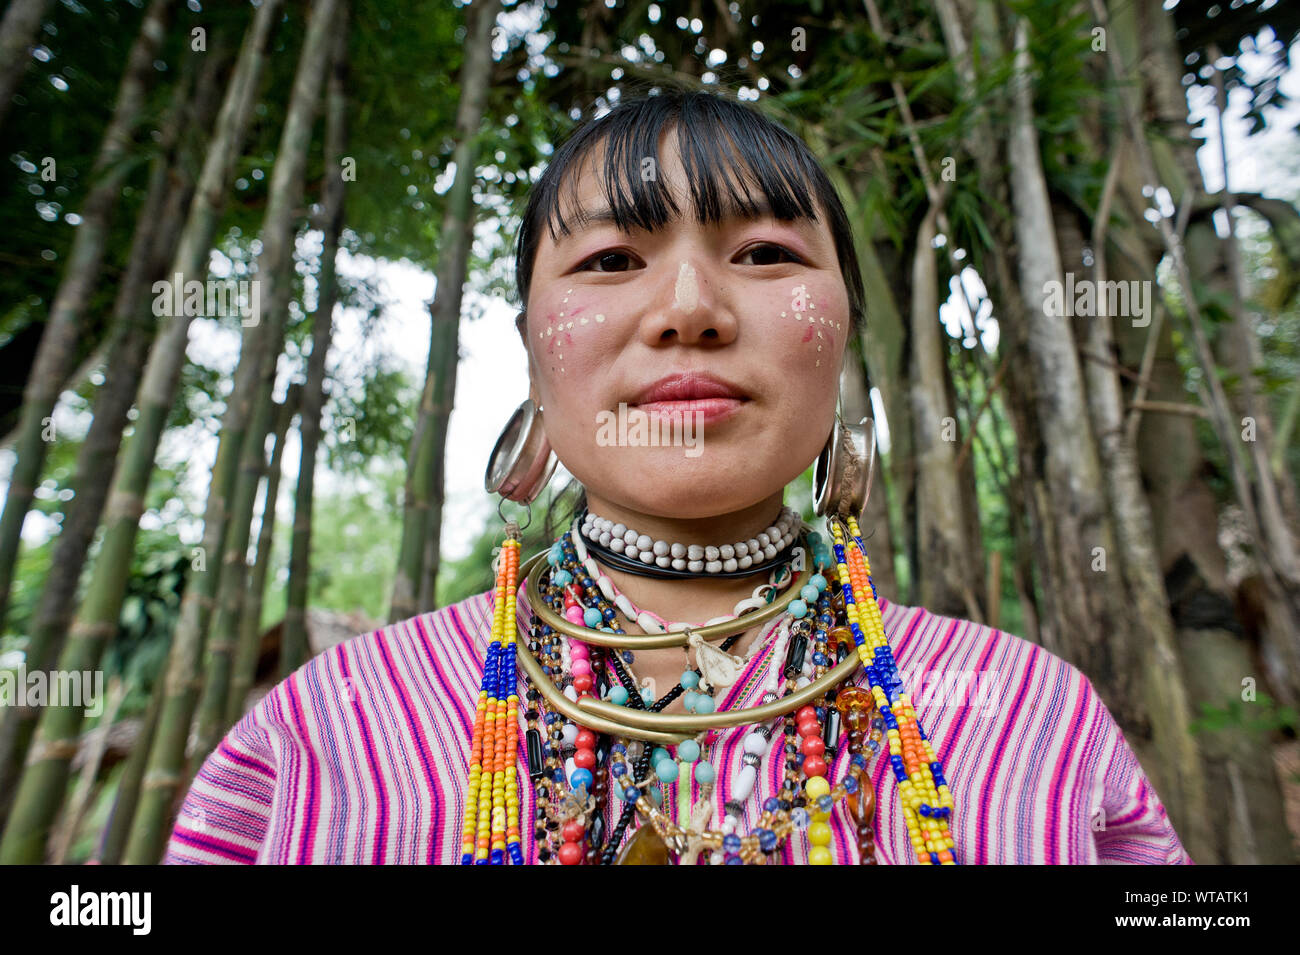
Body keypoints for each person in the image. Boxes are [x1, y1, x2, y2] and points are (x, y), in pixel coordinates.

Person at [164, 88, 1193, 865]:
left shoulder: (1031, 715)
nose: (691, 305)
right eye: (611, 260)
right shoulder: (323, 730)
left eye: (764, 251)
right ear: (533, 347)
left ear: (843, 339)